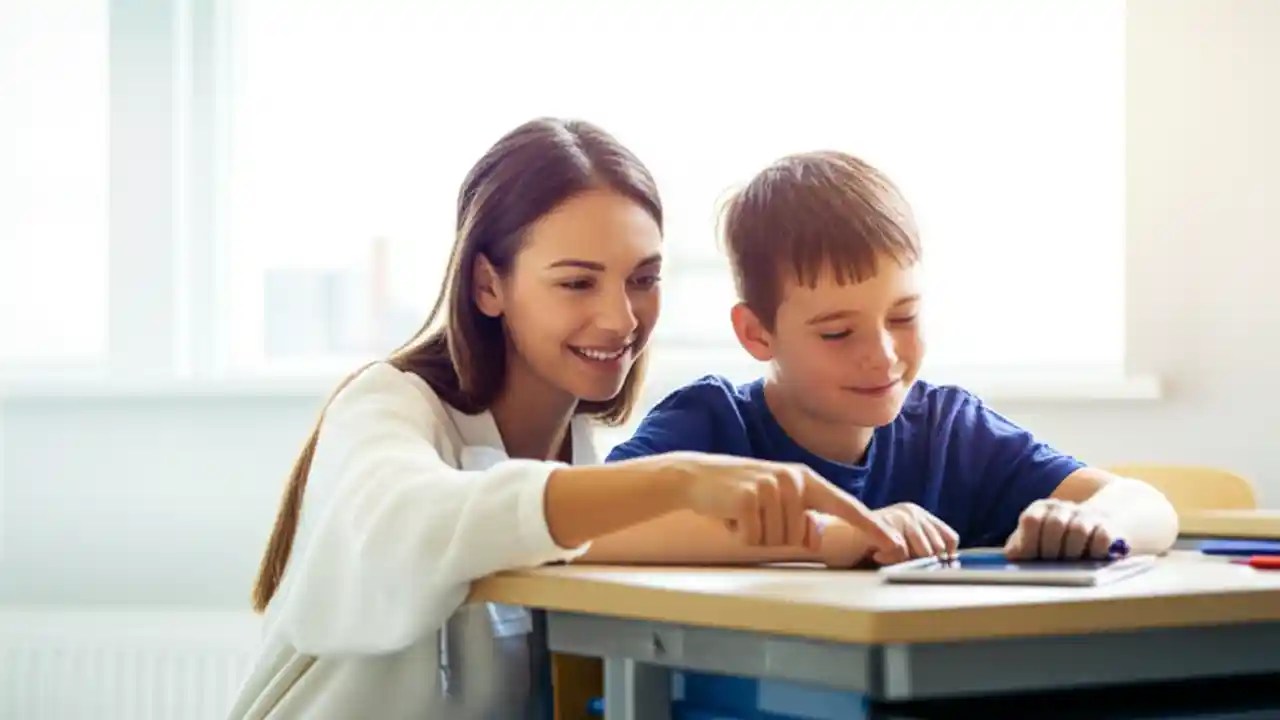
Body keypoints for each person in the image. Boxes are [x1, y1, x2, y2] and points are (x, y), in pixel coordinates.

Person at [227, 120, 903, 720]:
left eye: (643, 278)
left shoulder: (582, 452)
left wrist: (825, 537)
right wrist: (677, 479)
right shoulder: (388, 406)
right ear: (488, 285)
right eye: (578, 282)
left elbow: (638, 543)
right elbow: (409, 519)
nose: (622, 318)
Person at [608, 150, 1180, 565]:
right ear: (757, 334)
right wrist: (832, 535)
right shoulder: (710, 423)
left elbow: (1147, 505)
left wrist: (1095, 522)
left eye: (903, 317)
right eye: (837, 333)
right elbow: (587, 528)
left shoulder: (950, 433)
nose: (883, 356)